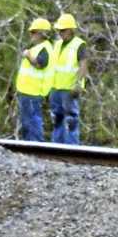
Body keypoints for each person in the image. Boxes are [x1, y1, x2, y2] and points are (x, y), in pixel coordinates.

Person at [14, 18, 55, 142]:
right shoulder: (37, 48)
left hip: (33, 92)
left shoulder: (45, 49)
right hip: (27, 91)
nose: (30, 34)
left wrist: (28, 55)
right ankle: (29, 148)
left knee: (33, 121)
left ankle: (36, 146)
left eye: (33, 32)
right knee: (27, 122)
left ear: (41, 33)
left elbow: (39, 64)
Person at [49, 14, 85, 145]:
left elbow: (83, 65)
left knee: (71, 120)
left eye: (62, 30)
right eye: (59, 30)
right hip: (56, 87)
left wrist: (78, 84)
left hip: (69, 89)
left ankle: (72, 147)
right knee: (57, 118)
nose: (60, 32)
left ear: (70, 30)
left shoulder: (79, 45)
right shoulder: (57, 44)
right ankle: (56, 147)